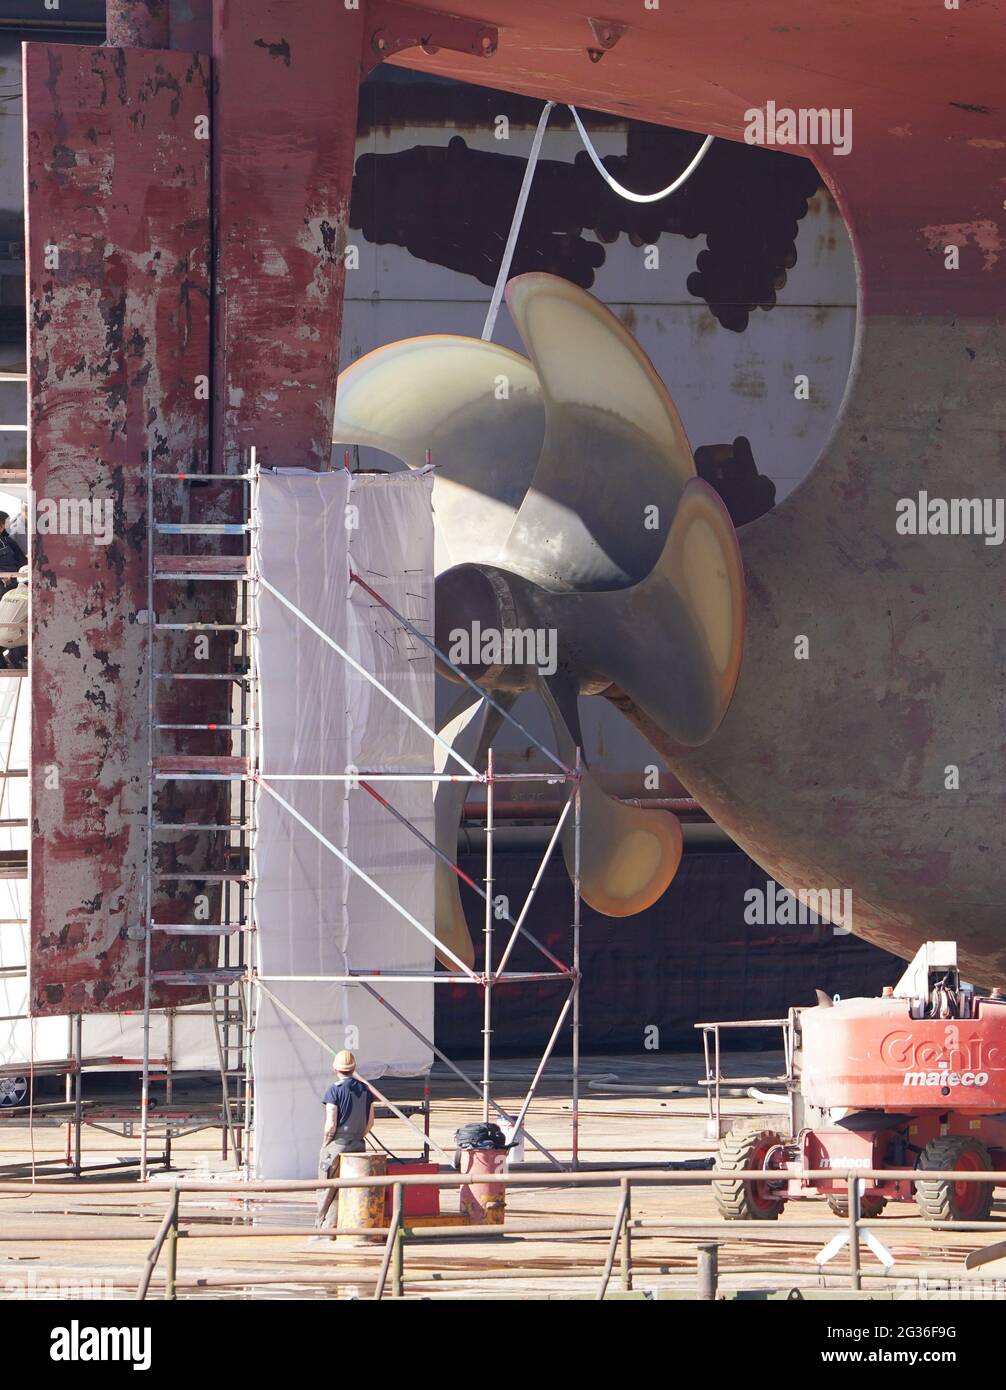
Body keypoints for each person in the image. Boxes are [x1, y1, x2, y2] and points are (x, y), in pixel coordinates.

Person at [315, 1050, 375, 1230]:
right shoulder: (366, 1090)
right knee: (353, 1190)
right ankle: (351, 1226)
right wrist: (358, 1137)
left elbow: (331, 1122)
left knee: (328, 1188)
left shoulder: (335, 1090)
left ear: (335, 1068)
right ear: (354, 1068)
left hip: (338, 1144)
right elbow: (370, 1122)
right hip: (358, 1145)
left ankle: (325, 1228)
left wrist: (326, 1143)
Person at [0, 513, 25, 595]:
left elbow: (21, 559)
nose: (10, 523)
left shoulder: (8, 540)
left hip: (17, 583)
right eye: (7, 520)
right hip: (3, 585)